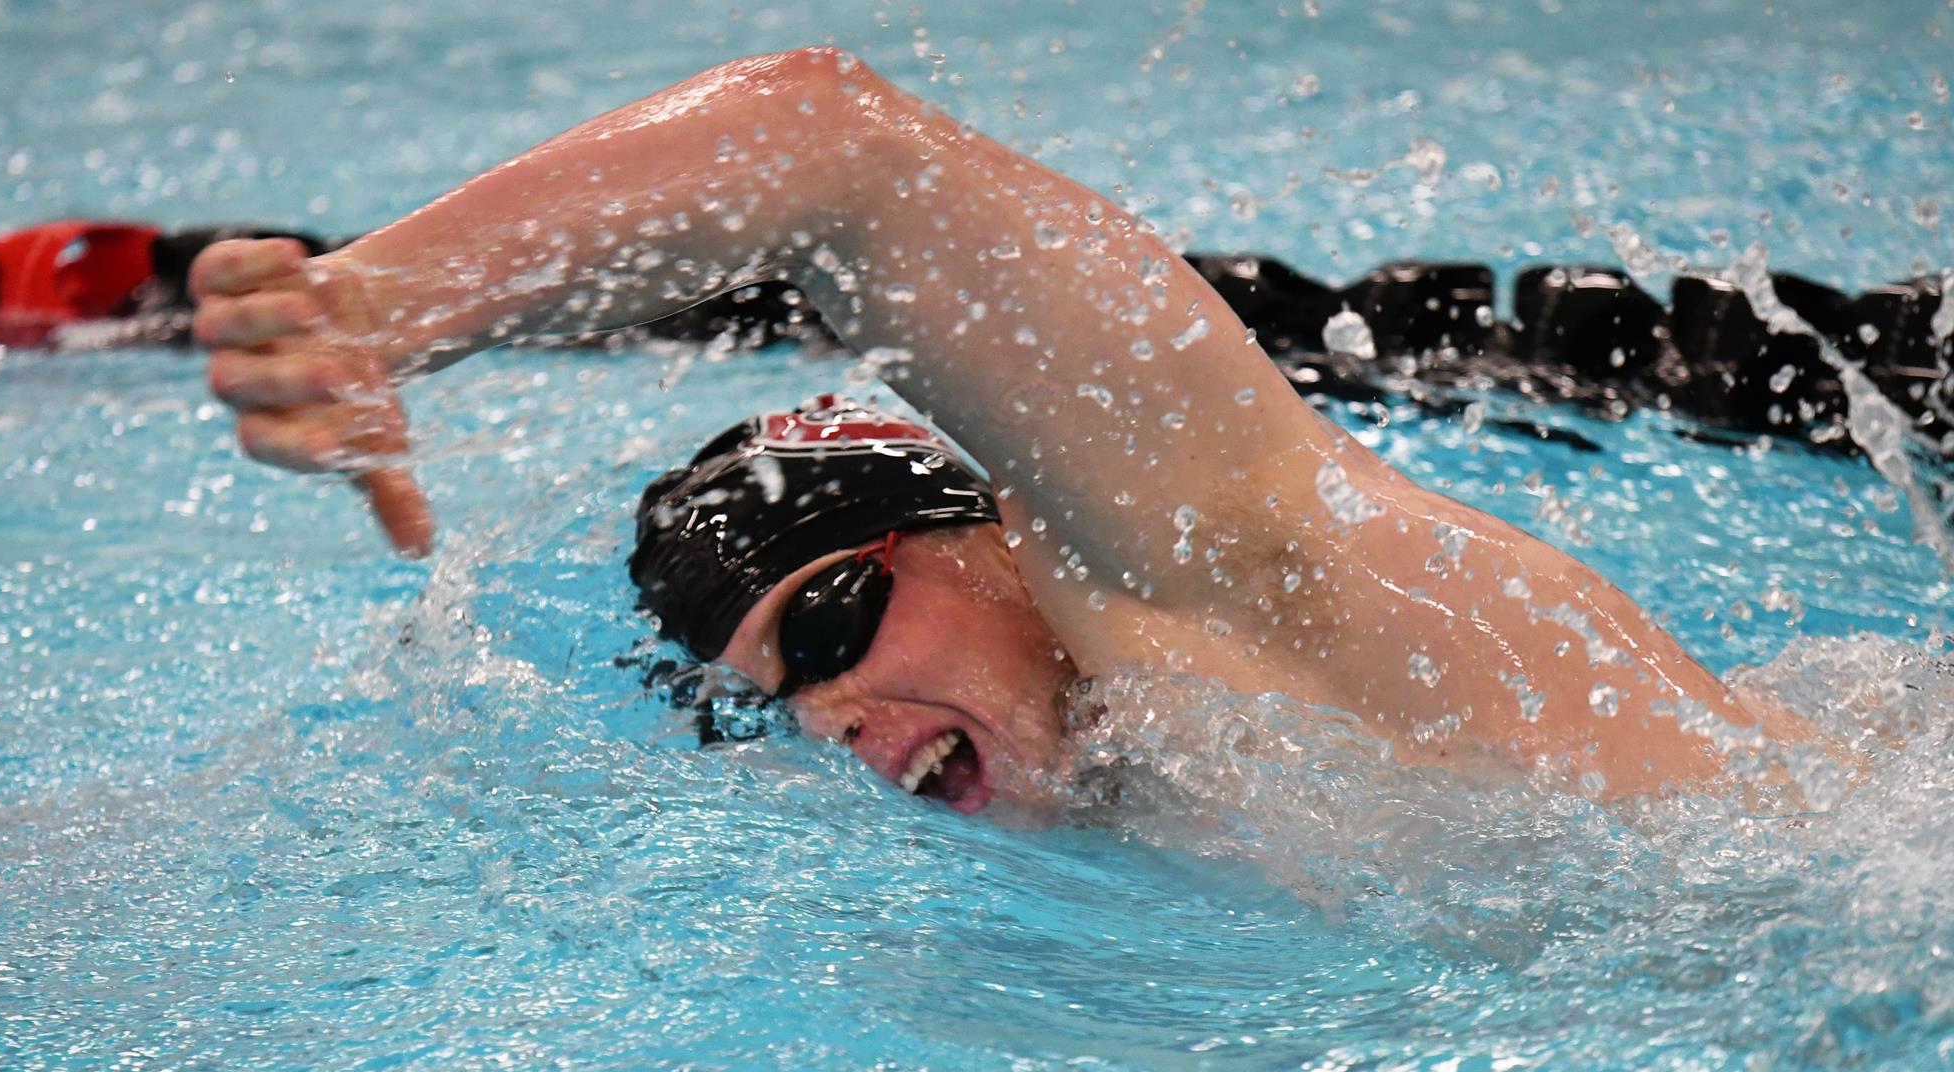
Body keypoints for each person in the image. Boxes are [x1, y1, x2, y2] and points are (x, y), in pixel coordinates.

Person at [189, 47, 1797, 813]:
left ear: (992, 521)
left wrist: (383, 306)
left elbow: (829, 145)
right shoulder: (1140, 784)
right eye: (776, 705)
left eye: (832, 618)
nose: (834, 717)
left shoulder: (1204, 563)